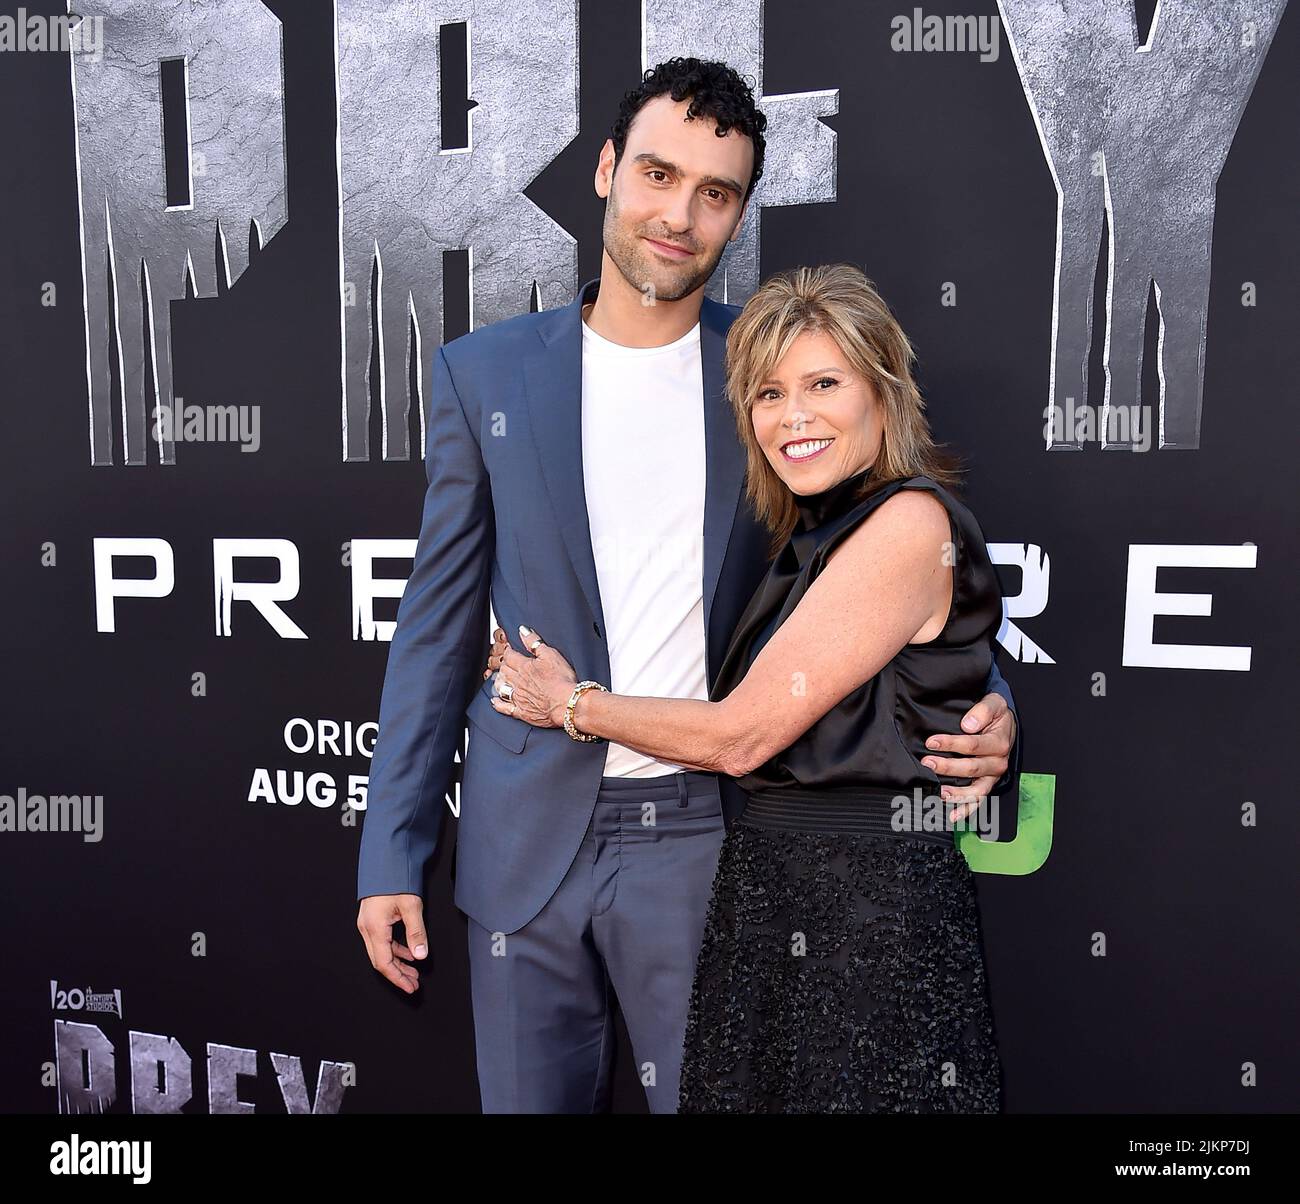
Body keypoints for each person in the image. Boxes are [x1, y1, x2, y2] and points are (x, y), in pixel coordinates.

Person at [357, 57, 1018, 1114]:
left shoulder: (768, 376)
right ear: (607, 171)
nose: (679, 214)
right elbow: (434, 629)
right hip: (520, 841)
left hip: (710, 842)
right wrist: (392, 849)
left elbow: (880, 560)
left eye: (714, 193)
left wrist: (975, 703)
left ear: (738, 213)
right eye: (658, 175)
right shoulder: (483, 376)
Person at [489, 262, 1011, 1112]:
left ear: (883, 391)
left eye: (823, 383)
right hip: (772, 900)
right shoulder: (809, 534)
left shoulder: (909, 522)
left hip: (865, 922)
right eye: (769, 393)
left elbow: (741, 736)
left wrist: (570, 705)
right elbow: (938, 666)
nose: (793, 416)